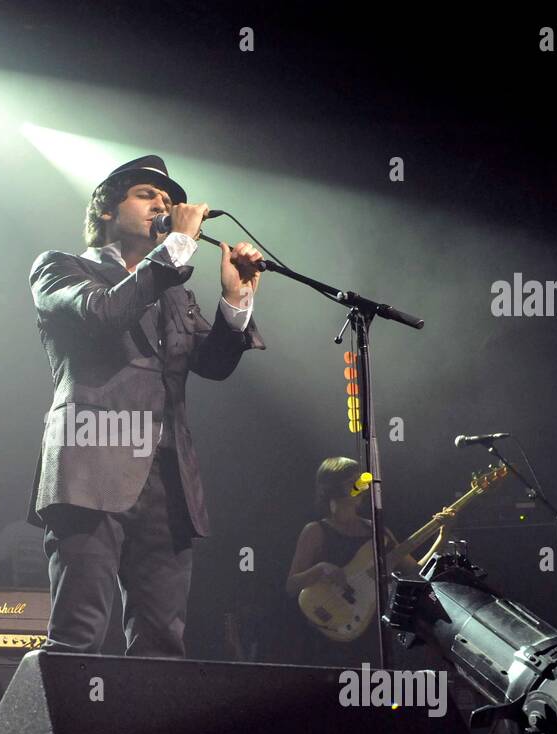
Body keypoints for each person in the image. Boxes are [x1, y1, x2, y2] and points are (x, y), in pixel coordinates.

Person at [26, 155, 266, 657]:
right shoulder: (61, 268)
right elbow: (103, 313)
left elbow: (213, 364)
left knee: (163, 641)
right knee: (78, 634)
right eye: (146, 195)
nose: (163, 204)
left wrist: (236, 300)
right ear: (107, 210)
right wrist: (177, 245)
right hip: (91, 468)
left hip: (169, 481)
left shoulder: (174, 292)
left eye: (168, 200)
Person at [284, 456, 454, 664]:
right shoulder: (316, 531)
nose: (362, 485)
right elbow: (291, 586)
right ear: (333, 487)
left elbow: (416, 572)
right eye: (352, 481)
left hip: (370, 631)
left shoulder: (377, 532)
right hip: (326, 639)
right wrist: (321, 569)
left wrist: (442, 538)